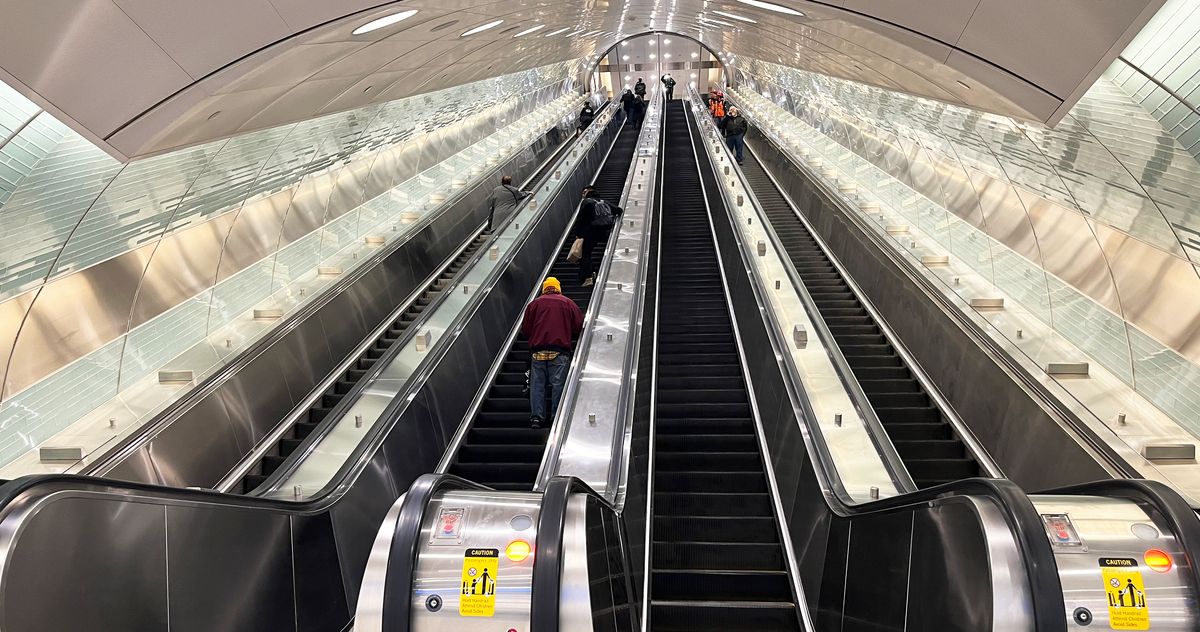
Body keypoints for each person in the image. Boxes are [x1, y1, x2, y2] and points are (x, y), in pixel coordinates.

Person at [521, 277, 583, 429]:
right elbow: (578, 326)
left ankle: (536, 417)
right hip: (559, 351)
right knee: (558, 385)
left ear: (544, 289)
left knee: (537, 385)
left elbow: (526, 329)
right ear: (558, 288)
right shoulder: (568, 303)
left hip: (537, 352)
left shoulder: (534, 305)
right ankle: (556, 416)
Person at [572, 185, 622, 287]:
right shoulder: (602, 201)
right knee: (588, 253)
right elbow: (618, 210)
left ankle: (587, 278)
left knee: (585, 255)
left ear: (589, 192)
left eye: (584, 192)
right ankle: (592, 272)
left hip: (589, 233)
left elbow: (580, 219)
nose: (583, 194)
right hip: (602, 232)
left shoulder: (587, 202)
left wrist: (577, 234)